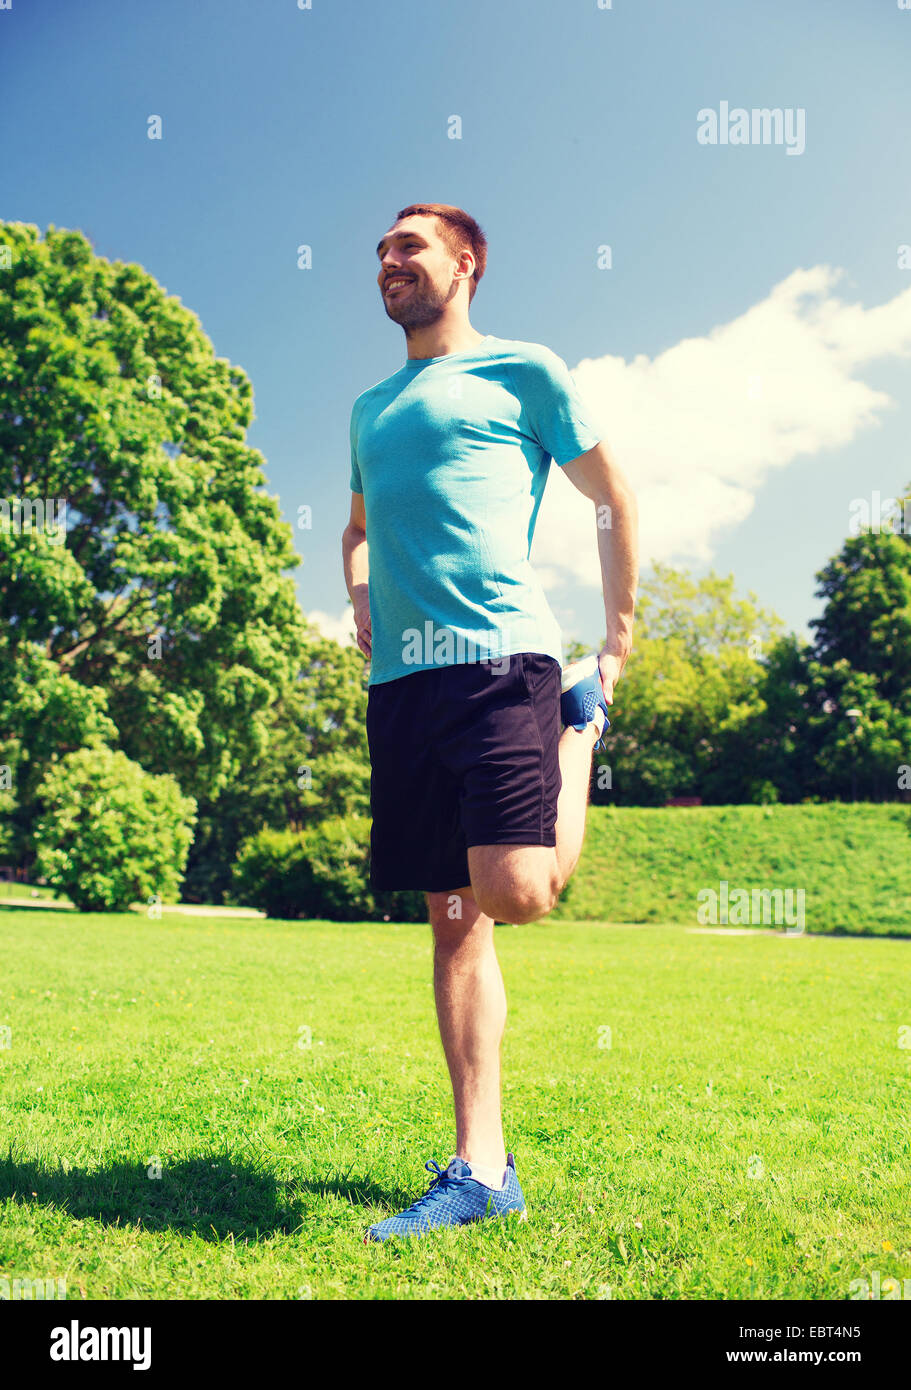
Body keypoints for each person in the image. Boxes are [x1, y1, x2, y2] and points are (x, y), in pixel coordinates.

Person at [341, 202, 638, 1242]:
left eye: (407, 245)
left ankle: (577, 728)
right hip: (402, 687)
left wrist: (617, 634)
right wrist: (361, 589)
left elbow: (608, 496)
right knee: (451, 918)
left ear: (464, 262)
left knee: (514, 894)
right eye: (381, 250)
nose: (387, 260)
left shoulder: (524, 370)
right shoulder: (369, 406)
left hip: (504, 664)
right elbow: (357, 527)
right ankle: (481, 1166)